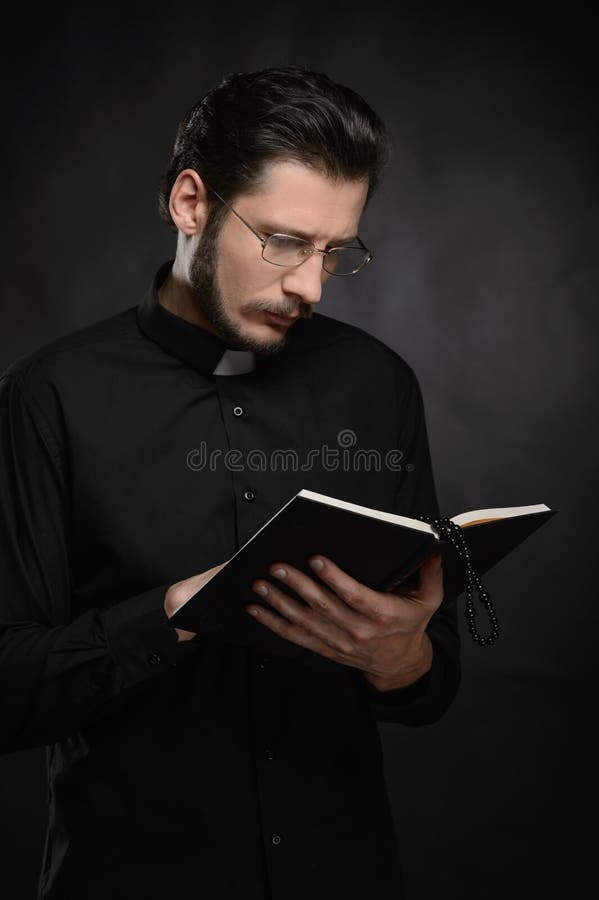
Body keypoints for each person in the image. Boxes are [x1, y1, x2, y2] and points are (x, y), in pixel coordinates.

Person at [0, 67, 460, 899]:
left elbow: (430, 687)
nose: (308, 287)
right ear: (190, 204)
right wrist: (175, 612)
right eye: (284, 242)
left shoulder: (378, 384)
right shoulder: (50, 397)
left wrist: (404, 659)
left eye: (335, 253)